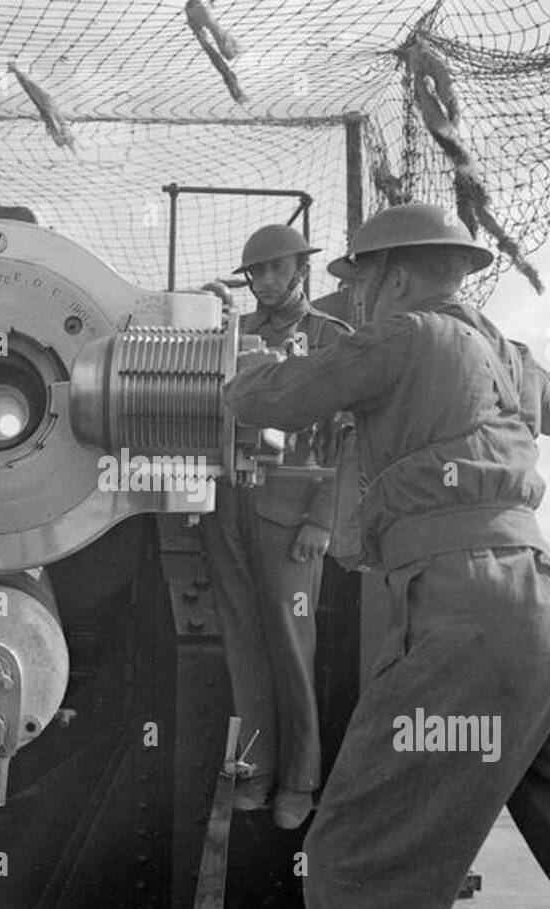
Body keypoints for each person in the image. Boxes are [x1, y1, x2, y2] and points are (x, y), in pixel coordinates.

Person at [223, 203, 550, 909]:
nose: (354, 300)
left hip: (472, 617)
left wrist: (237, 372)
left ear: (390, 278)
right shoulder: (504, 353)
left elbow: (271, 399)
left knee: (353, 866)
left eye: (358, 283)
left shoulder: (401, 334)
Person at [199, 224, 351, 830]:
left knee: (292, 648)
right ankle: (255, 773)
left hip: (294, 514)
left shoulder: (329, 338)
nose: (265, 281)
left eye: (275, 270)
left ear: (300, 271)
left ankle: (299, 783)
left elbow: (348, 437)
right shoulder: (233, 336)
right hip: (228, 507)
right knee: (244, 645)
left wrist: (322, 519)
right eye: (256, 273)